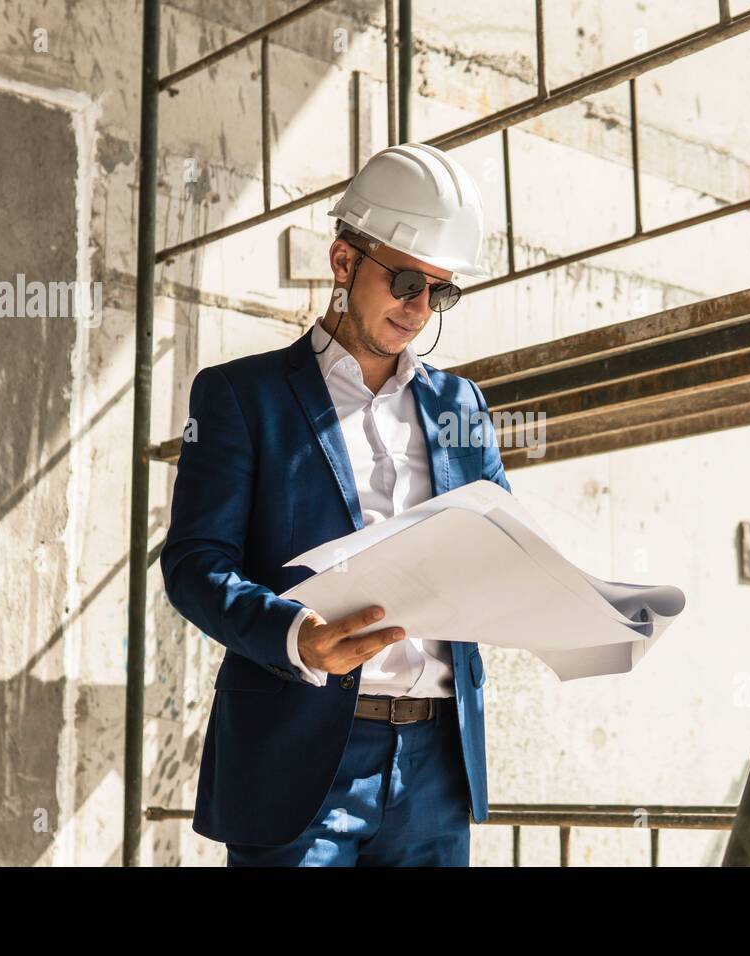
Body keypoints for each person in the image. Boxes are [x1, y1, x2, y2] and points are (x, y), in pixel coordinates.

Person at [160, 142, 511, 866]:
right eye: (407, 280)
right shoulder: (239, 397)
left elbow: (503, 546)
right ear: (344, 263)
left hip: (436, 768)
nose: (419, 309)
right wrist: (296, 636)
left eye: (440, 293)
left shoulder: (460, 405)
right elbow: (195, 564)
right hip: (299, 760)